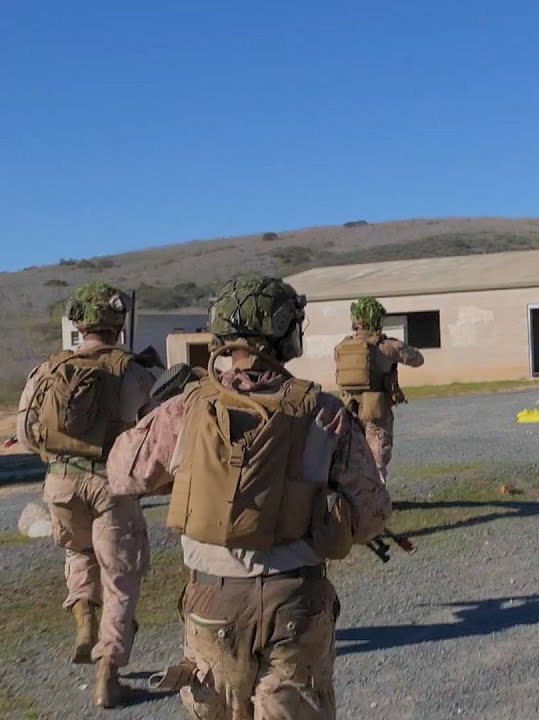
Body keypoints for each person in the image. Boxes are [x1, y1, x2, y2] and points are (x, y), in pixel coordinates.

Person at [106, 273, 392, 718]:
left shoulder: (186, 407)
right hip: (296, 601)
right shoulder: (326, 413)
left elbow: (123, 474)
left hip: (210, 604)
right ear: (285, 333)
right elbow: (373, 514)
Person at [15, 281, 156, 708]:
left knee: (78, 551)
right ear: (117, 324)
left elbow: (24, 435)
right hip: (112, 485)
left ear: (79, 323)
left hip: (60, 483)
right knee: (121, 576)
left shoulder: (47, 370)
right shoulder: (134, 372)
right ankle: (108, 674)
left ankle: (83, 622)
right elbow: (151, 434)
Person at [333, 297, 424, 481]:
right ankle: (377, 504)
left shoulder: (342, 346)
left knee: (352, 458)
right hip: (376, 410)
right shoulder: (385, 346)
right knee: (378, 459)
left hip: (349, 409)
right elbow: (418, 359)